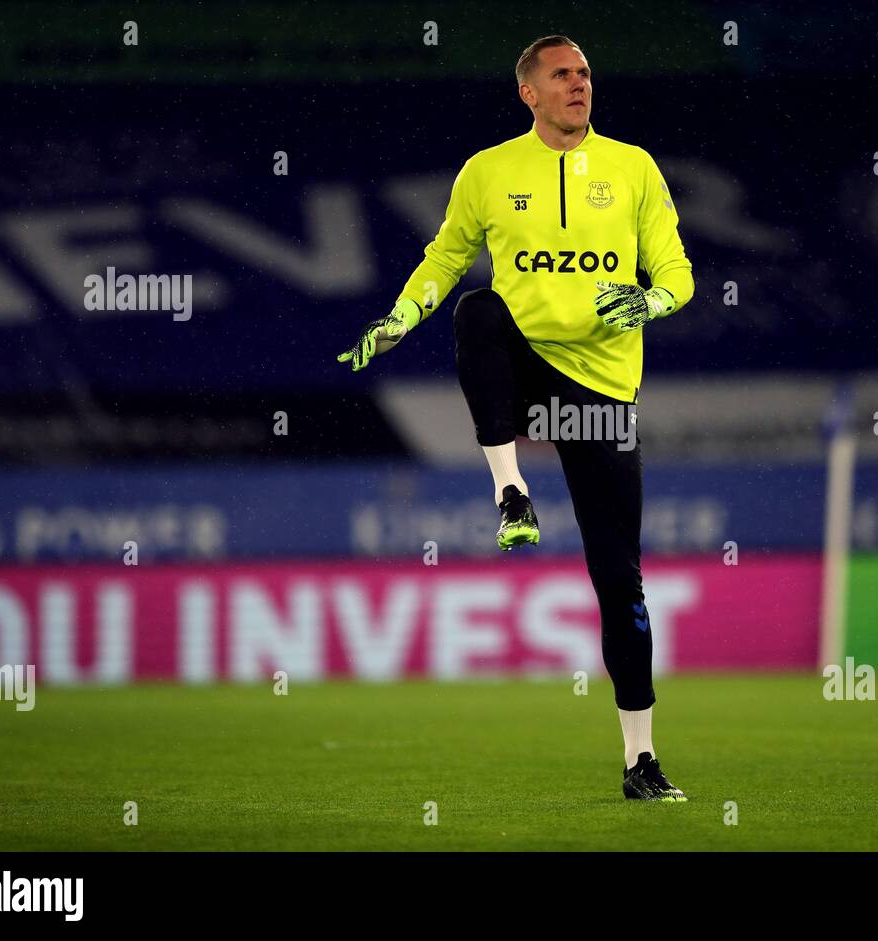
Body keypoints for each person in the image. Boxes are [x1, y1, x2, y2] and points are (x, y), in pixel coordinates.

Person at [337, 34, 693, 802]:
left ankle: (641, 760)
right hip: (523, 372)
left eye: (586, 74)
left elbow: (676, 271)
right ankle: (510, 491)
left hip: (599, 394)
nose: (579, 85)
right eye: (562, 75)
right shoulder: (489, 171)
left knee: (619, 581)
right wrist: (399, 319)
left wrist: (652, 299)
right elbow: (443, 257)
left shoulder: (633, 168)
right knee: (477, 309)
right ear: (529, 92)